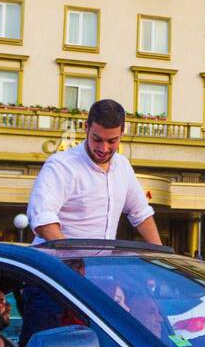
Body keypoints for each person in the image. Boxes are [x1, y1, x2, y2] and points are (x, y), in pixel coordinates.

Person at [27, 99, 162, 245]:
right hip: (57, 264)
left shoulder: (123, 166)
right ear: (86, 128)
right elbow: (42, 217)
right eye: (97, 139)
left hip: (98, 265)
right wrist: (72, 258)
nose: (104, 149)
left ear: (122, 133)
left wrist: (162, 260)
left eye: (112, 141)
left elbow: (141, 214)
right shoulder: (61, 166)